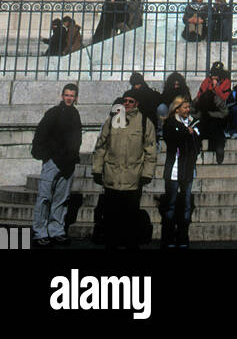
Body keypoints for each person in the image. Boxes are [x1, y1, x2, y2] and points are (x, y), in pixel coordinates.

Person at [90, 89, 156, 247]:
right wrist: (97, 170)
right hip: (112, 176)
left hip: (133, 178)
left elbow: (151, 150)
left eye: (131, 101)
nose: (127, 104)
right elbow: (100, 147)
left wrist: (147, 173)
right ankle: (111, 242)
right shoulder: (112, 120)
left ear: (137, 103)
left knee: (130, 215)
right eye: (125, 101)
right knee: (111, 215)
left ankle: (130, 243)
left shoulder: (144, 122)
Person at [31, 83, 82, 247]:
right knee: (44, 198)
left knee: (62, 199)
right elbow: (41, 134)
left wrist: (73, 156)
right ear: (62, 96)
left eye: (72, 95)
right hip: (53, 161)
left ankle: (56, 230)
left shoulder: (76, 114)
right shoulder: (53, 113)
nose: (69, 98)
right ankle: (40, 231)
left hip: (68, 163)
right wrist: (45, 156)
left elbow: (77, 139)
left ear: (76, 98)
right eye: (67, 95)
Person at [160, 95, 200, 247]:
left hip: (188, 168)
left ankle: (183, 236)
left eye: (189, 107)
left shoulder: (193, 123)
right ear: (177, 109)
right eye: (185, 107)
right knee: (171, 203)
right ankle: (168, 237)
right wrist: (186, 132)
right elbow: (173, 140)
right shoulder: (170, 123)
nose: (188, 110)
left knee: (186, 204)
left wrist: (190, 133)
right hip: (174, 169)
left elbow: (197, 144)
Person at [193, 61, 232, 164]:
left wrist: (216, 88)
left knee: (216, 127)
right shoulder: (206, 81)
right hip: (205, 112)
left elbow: (224, 98)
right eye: (214, 73)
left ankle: (219, 148)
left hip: (218, 112)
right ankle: (197, 152)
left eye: (217, 73)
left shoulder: (226, 82)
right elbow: (200, 95)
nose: (215, 75)